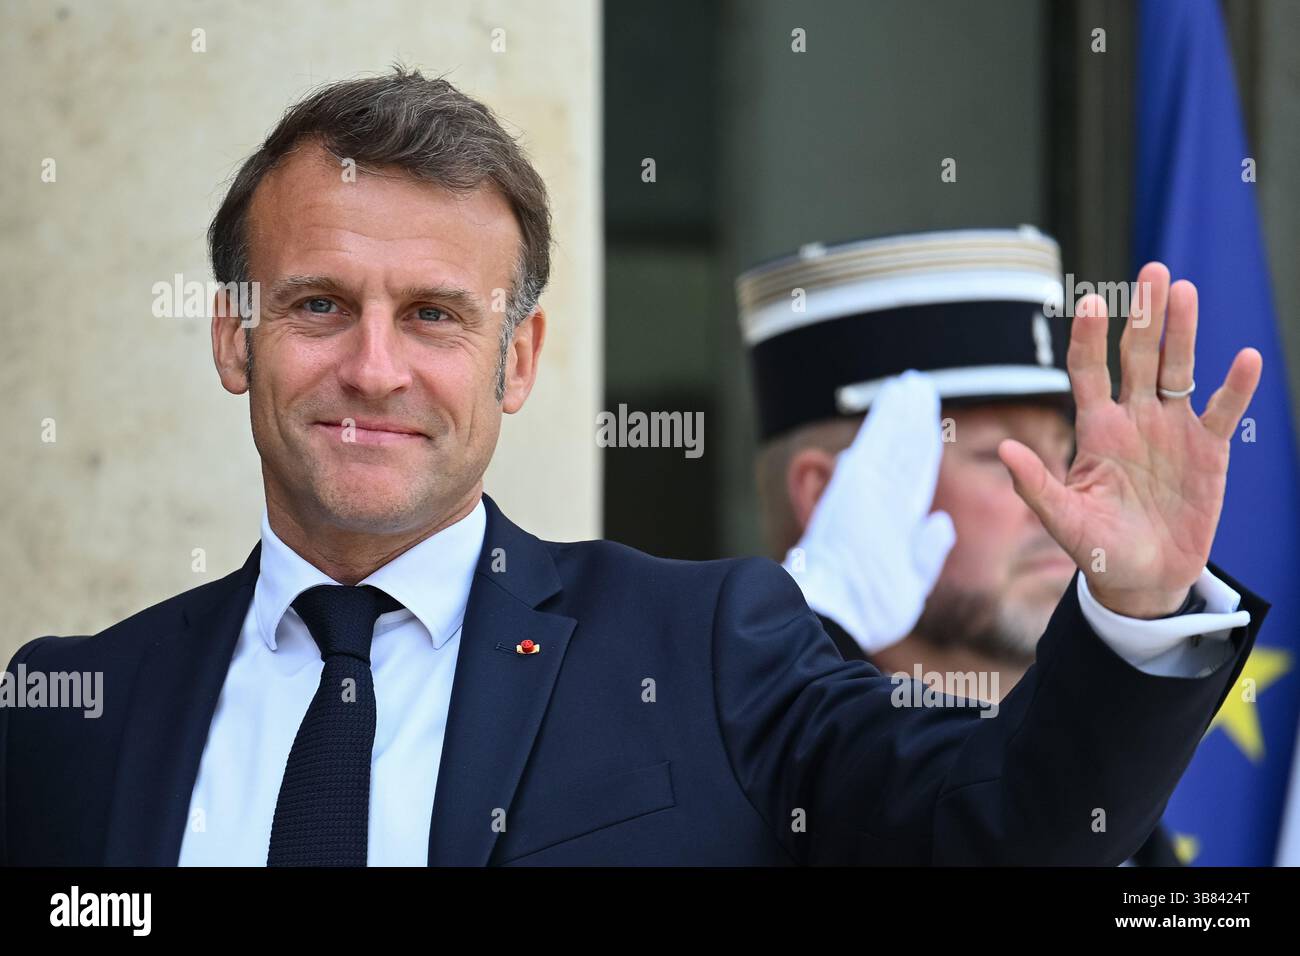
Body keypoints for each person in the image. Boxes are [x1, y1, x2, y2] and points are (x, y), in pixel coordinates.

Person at [0, 70, 1268, 866]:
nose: (375, 368)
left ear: (518, 358)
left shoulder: (705, 649)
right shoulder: (70, 712)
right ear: (234, 336)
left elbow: (1003, 828)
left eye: (436, 315)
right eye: (320, 303)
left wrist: (1136, 609)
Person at [738, 228, 1200, 864]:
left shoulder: (1126, 828)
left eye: (1068, 453)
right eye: (999, 457)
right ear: (829, 495)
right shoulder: (750, 809)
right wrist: (818, 626)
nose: (1065, 495)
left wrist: (1143, 607)